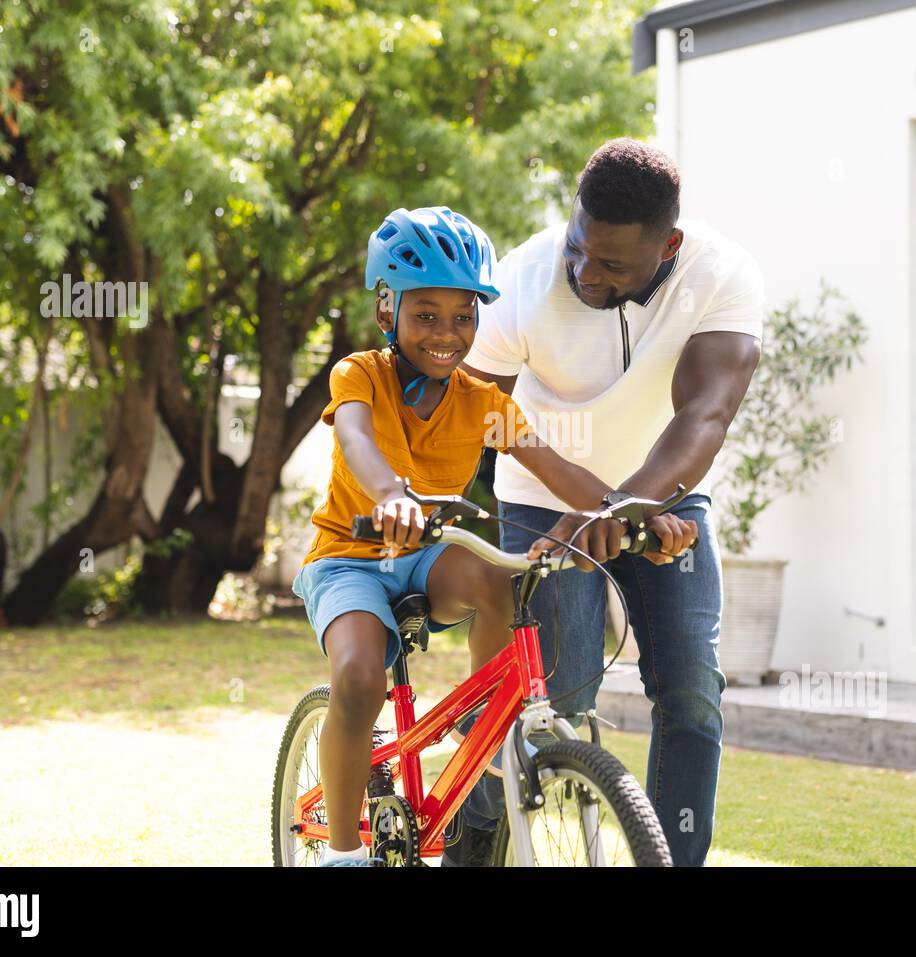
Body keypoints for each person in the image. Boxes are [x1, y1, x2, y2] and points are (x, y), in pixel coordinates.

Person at [292, 204, 697, 866]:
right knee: (360, 678)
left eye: (464, 316)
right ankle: (342, 850)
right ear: (386, 311)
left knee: (499, 578)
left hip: (425, 555)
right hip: (351, 558)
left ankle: (488, 728)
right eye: (426, 315)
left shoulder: (483, 404)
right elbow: (359, 441)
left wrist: (638, 514)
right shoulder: (357, 374)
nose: (448, 333)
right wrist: (393, 496)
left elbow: (558, 468)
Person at [453, 139, 765, 867]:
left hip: (667, 494)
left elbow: (705, 417)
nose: (587, 273)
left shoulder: (722, 275)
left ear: (670, 245)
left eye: (614, 265)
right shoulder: (524, 279)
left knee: (691, 691)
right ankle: (474, 838)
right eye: (579, 248)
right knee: (551, 699)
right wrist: (595, 504)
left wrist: (626, 508)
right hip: (542, 499)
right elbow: (486, 418)